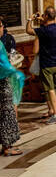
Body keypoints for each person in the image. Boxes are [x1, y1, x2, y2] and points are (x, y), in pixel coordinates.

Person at [33, 7, 56, 125]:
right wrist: (43, 20)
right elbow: (47, 26)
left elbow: (29, 31)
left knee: (51, 90)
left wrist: (30, 20)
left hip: (46, 65)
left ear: (46, 16)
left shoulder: (43, 31)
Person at [0, 21, 24, 156]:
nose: (3, 28)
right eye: (2, 25)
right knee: (7, 112)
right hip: (3, 82)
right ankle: (7, 146)